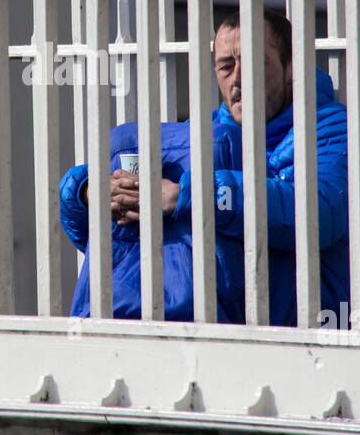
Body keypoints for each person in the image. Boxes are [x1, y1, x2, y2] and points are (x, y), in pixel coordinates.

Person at [93, 7, 360, 326]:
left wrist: (190, 197)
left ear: (292, 67)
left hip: (314, 311)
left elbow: (318, 213)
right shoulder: (208, 131)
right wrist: (92, 193)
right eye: (226, 67)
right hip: (221, 307)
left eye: (255, 63)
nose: (238, 79)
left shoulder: (332, 127)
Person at [60, 118, 245, 321]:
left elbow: (282, 210)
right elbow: (91, 235)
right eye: (225, 81)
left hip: (205, 322)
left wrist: (186, 195)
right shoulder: (198, 128)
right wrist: (85, 191)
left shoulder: (274, 147)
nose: (235, 83)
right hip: (115, 319)